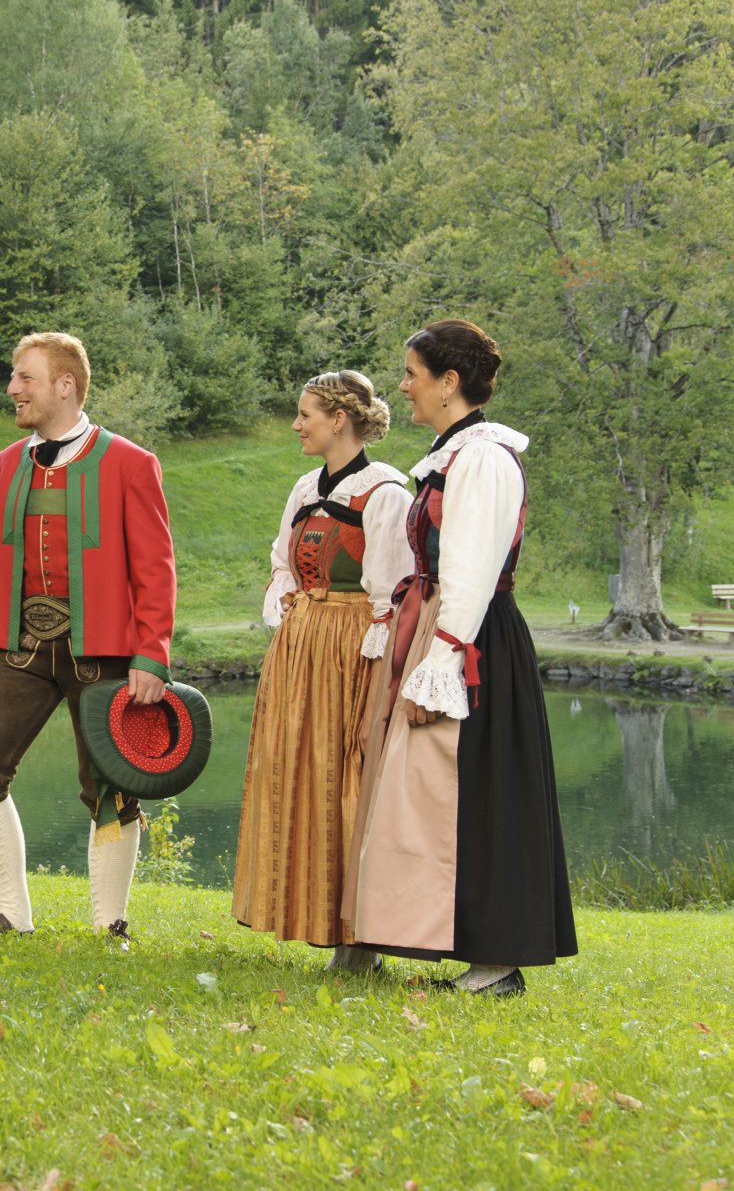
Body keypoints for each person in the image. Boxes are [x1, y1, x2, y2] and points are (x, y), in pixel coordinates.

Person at [344, 319, 577, 995]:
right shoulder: (455, 454)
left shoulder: (483, 458)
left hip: (471, 639)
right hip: (446, 627)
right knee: (441, 791)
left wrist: (442, 660)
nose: (403, 386)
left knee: (477, 791)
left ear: (449, 382)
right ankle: (457, 944)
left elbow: (472, 566)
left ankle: (498, 961)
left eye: (412, 373)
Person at [0, 332, 177, 939]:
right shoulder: (7, 463)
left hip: (103, 651)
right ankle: (11, 913)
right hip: (22, 646)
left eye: (24, 378)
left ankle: (111, 924)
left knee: (110, 786)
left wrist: (151, 654)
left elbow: (155, 569)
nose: (12, 389)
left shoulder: (131, 462)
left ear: (65, 385)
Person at [233, 371, 410, 972]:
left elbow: (392, 594)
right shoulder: (306, 487)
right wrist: (286, 602)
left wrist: (375, 668)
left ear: (340, 419)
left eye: (305, 413)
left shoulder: (386, 494)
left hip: (354, 647)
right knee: (298, 773)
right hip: (303, 644)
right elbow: (282, 561)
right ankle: (309, 916)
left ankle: (361, 938)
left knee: (349, 781)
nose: (296, 424)